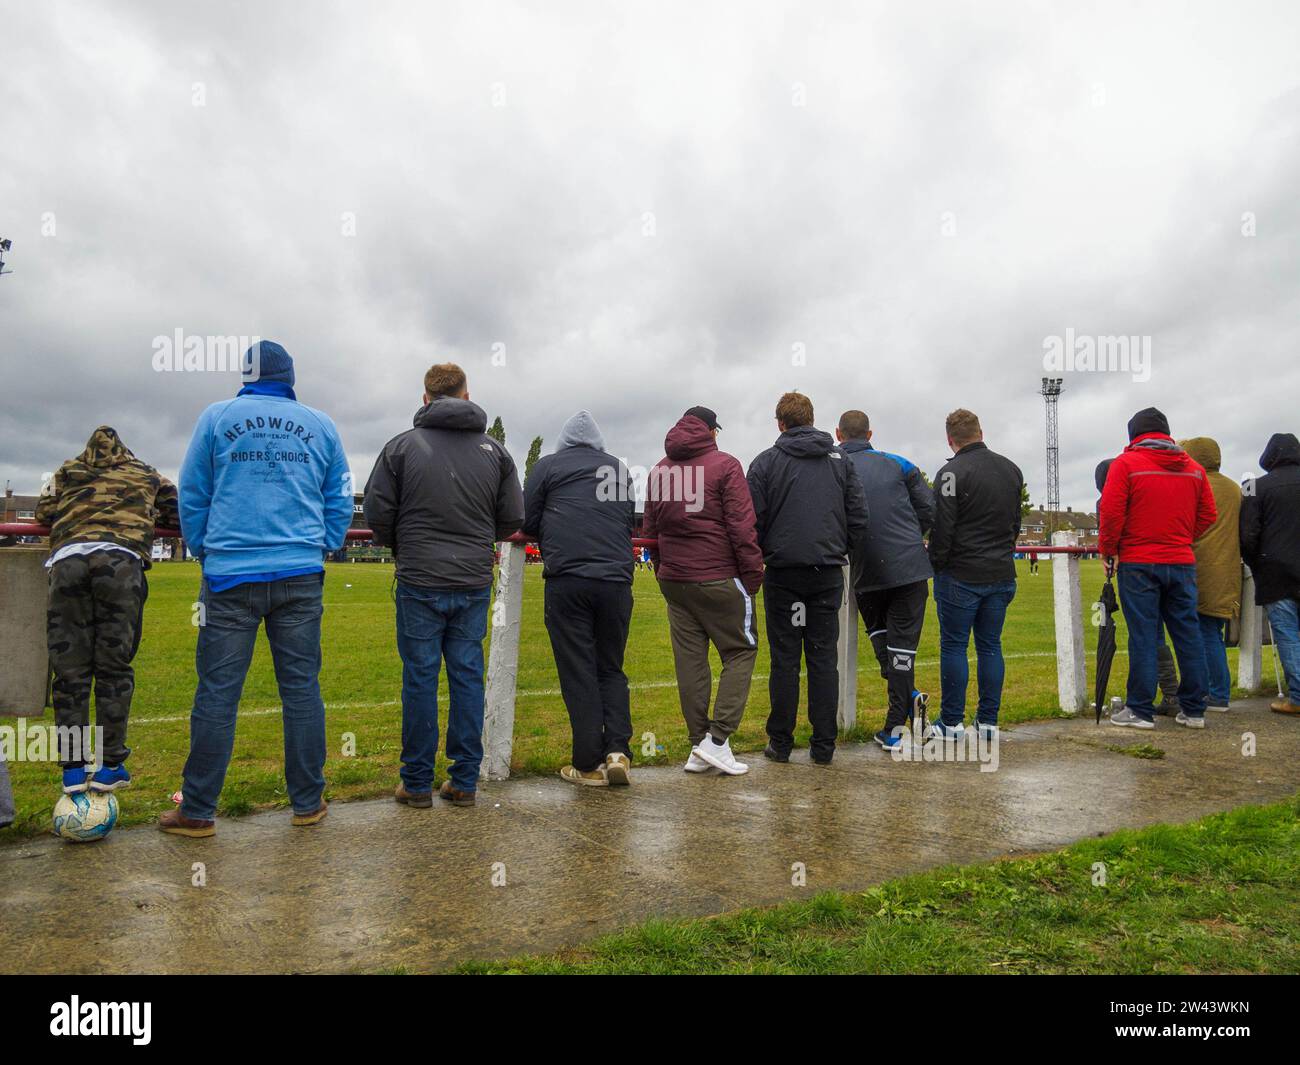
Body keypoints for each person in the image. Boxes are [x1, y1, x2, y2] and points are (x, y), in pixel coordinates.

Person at [163, 341, 352, 837]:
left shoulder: (216, 417)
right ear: (290, 377)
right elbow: (339, 494)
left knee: (218, 695)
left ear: (245, 376)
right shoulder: (321, 424)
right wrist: (327, 543)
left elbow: (193, 492)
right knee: (302, 691)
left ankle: (198, 810)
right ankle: (308, 802)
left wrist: (206, 549)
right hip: (300, 574)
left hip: (229, 577)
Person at [364, 362, 523, 808]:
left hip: (419, 577)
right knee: (467, 678)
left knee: (419, 679)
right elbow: (512, 518)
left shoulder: (400, 448)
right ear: (467, 396)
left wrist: (405, 543)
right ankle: (464, 780)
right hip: (471, 577)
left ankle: (416, 783)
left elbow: (378, 514)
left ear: (425, 399)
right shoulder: (496, 452)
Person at [36, 426, 179, 795]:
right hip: (120, 563)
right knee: (114, 668)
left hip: (68, 563)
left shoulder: (68, 470)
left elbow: (44, 511)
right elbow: (178, 513)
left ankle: (71, 770)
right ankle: (111, 764)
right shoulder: (147, 473)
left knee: (70, 673)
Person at [642, 406, 763, 776]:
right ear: (712, 431)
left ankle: (700, 745)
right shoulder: (726, 465)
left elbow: (650, 529)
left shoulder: (659, 470)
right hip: (717, 575)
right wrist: (753, 576)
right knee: (741, 651)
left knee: (690, 662)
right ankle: (717, 740)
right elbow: (742, 528)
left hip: (676, 580)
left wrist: (664, 569)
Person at [748, 393, 868, 766]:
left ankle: (781, 743)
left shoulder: (767, 463)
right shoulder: (840, 462)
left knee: (785, 660)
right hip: (825, 571)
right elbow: (859, 517)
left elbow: (752, 520)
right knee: (821, 659)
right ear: (811, 420)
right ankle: (822, 745)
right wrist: (836, 549)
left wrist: (773, 549)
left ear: (780, 423)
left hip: (785, 572)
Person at [523, 411, 635, 786]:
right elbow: (625, 519)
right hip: (616, 581)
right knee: (611, 667)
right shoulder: (618, 468)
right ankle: (618, 751)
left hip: (569, 579)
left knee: (578, 672)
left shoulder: (547, 466)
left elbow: (527, 519)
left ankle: (587, 764)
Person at [1100, 407, 1216, 731]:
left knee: (1144, 635)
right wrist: (1181, 538)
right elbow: (1208, 515)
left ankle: (1140, 708)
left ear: (1134, 436)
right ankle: (1194, 709)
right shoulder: (1194, 469)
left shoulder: (1125, 464)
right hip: (1180, 561)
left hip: (1138, 563)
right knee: (1188, 633)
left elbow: (1111, 512)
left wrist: (1109, 550)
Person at [835, 409, 934, 751]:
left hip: (867, 572)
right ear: (870, 434)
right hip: (910, 568)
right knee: (899, 653)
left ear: (838, 433)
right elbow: (929, 510)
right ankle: (911, 703)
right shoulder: (900, 464)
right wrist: (908, 536)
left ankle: (895, 726)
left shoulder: (832, 463)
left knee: (889, 651)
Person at [928, 409, 1023, 740]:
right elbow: (1014, 523)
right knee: (990, 646)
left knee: (954, 646)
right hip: (1000, 570)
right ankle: (988, 721)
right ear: (980, 433)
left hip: (961, 573)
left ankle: (952, 722)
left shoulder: (951, 473)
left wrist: (937, 564)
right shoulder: (1011, 469)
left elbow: (943, 529)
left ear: (950, 440)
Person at [1096, 458, 1181, 712]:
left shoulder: (1110, 500)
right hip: (1167, 565)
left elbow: (1110, 531)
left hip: (1136, 571)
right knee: (1159, 632)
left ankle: (1144, 702)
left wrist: (1109, 551)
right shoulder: (1148, 493)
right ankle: (1172, 694)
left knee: (1144, 635)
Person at [1240, 432, 1300, 715]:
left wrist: (1256, 564)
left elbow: (1248, 536)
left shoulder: (1255, 487)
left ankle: (1298, 696)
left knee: (1287, 634)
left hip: (1277, 572)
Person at [1180, 437, 1242, 713]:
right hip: (1228, 570)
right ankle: (1215, 690)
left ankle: (1216, 693)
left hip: (1199, 568)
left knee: (1204, 633)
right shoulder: (1233, 488)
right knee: (1212, 632)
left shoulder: (1193, 483)